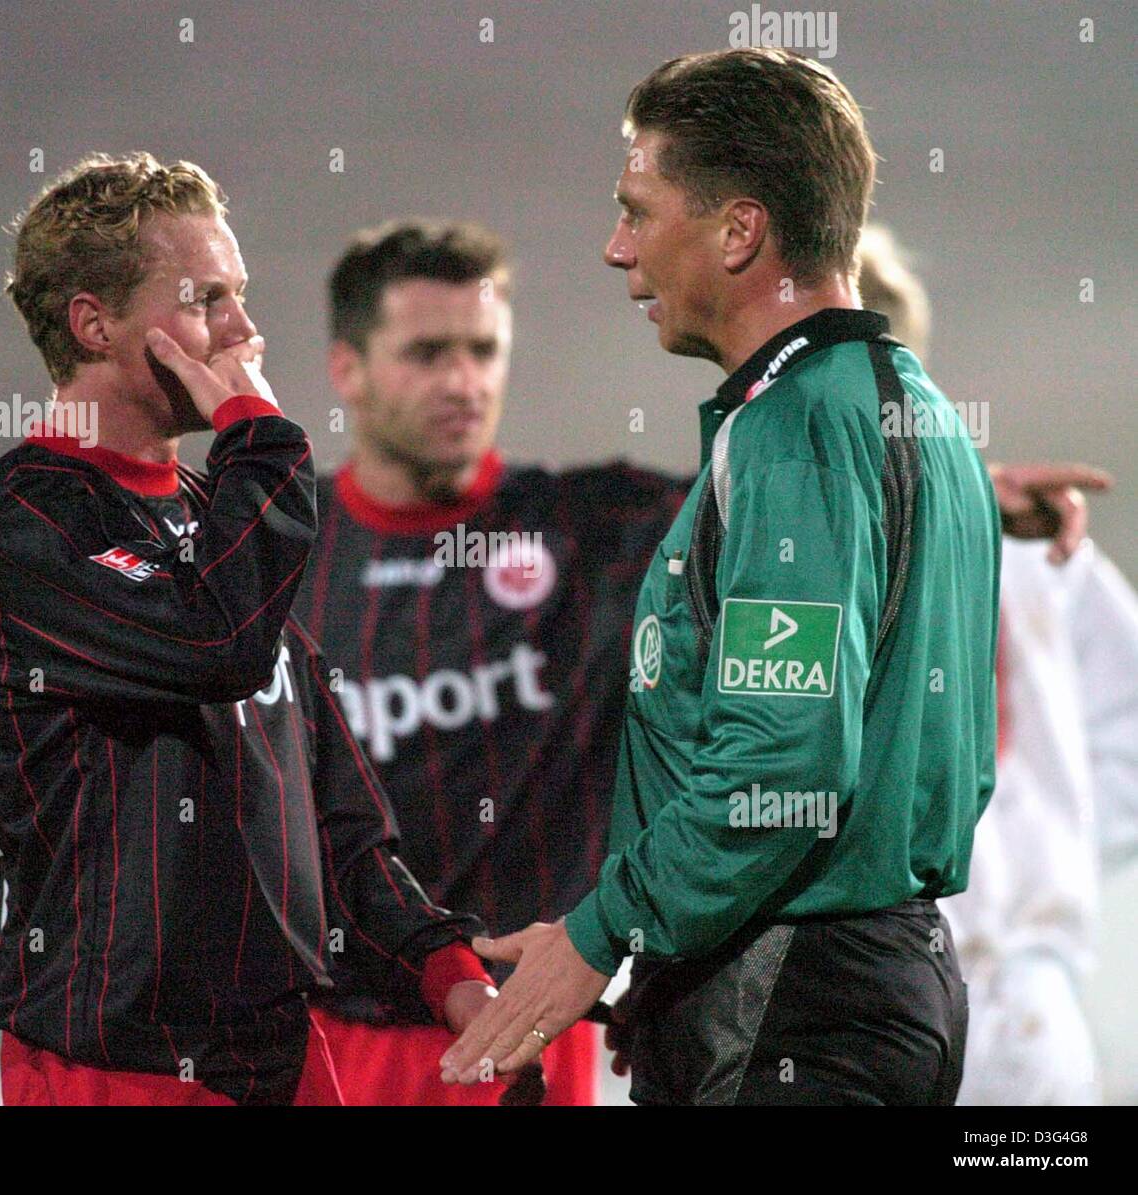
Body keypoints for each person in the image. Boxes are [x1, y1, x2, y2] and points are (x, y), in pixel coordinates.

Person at [0, 214, 1106, 1109]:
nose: (463, 382)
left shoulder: (591, 526)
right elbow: (105, 819)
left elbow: (801, 513)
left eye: (483, 352)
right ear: (350, 370)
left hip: (507, 1020)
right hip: (319, 1022)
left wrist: (970, 489)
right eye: (427, 352)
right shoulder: (271, 543)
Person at [0, 152, 496, 1107]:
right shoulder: (28, 516)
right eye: (207, 300)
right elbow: (215, 644)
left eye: (241, 296)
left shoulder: (215, 512)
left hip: (275, 1047)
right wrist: (260, 429)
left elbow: (331, 802)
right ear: (94, 323)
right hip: (118, 1064)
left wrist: (450, 973)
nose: (244, 330)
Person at [442, 47, 999, 1106]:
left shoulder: (792, 431)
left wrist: (603, 934)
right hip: (844, 980)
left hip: (794, 996)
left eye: (638, 211)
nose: (616, 250)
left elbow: (782, 764)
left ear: (740, 230)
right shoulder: (914, 404)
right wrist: (677, 965)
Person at [857, 224, 1138, 1106]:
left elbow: (1128, 723)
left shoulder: (1031, 549)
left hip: (1015, 1003)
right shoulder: (758, 543)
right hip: (855, 998)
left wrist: (1040, 856)